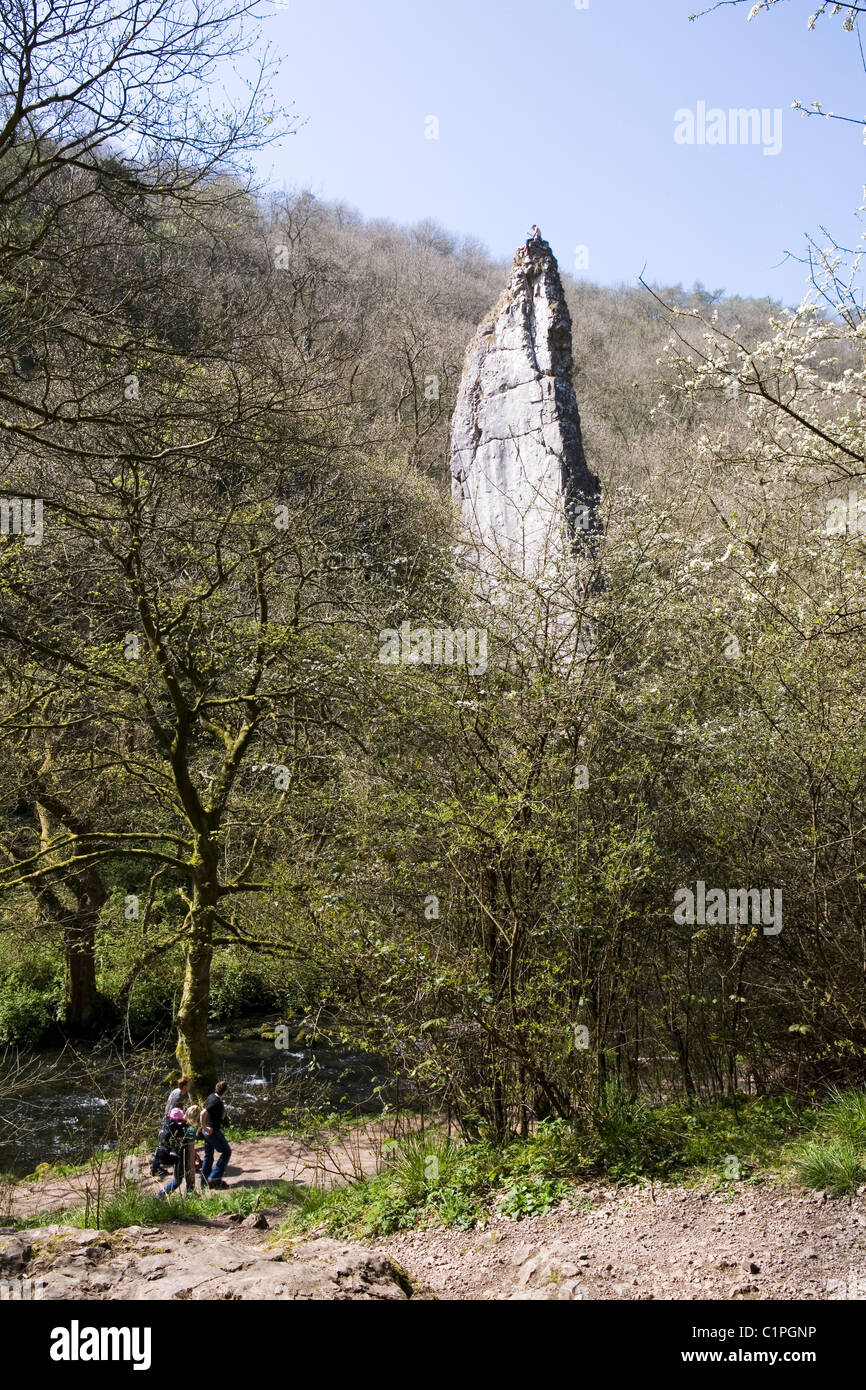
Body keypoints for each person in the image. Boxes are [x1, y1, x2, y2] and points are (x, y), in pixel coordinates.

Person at [157, 1107, 198, 1198]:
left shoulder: (177, 1125)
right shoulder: (190, 1129)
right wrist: (193, 1159)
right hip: (183, 1158)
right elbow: (190, 1146)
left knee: (178, 1180)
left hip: (176, 1156)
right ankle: (160, 1196)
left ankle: (159, 1196)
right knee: (183, 1180)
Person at [200, 1080, 231, 1189]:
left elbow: (219, 1116)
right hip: (212, 1132)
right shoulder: (216, 1101)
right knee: (227, 1151)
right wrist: (204, 1127)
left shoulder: (212, 1096)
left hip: (208, 1132)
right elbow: (203, 1113)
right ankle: (214, 1178)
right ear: (225, 1091)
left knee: (208, 1157)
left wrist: (222, 1113)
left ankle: (204, 1183)